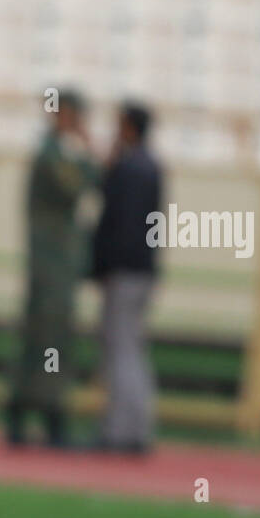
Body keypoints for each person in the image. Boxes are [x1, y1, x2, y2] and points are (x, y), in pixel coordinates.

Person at [6, 89, 100, 448]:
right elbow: (80, 185)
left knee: (46, 340)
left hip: (54, 264)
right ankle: (44, 412)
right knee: (48, 340)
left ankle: (33, 412)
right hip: (50, 265)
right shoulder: (51, 155)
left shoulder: (54, 153)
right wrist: (89, 152)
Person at [90, 101, 162, 453]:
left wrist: (102, 266)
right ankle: (135, 426)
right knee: (131, 348)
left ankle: (122, 431)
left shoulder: (131, 168)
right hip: (140, 269)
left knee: (121, 350)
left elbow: (119, 225)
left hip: (126, 271)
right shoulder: (148, 166)